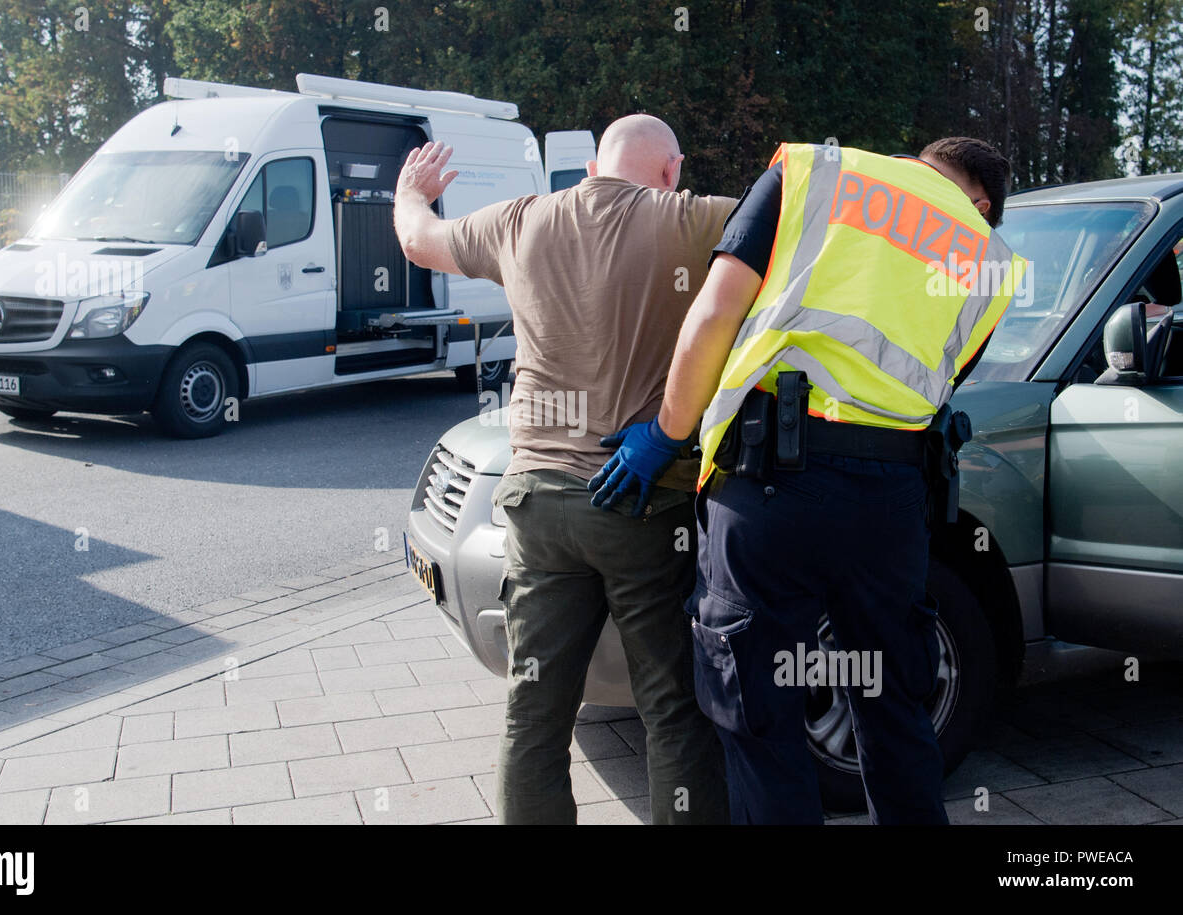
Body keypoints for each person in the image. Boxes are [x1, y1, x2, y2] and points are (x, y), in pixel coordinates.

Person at [590, 136, 1026, 824]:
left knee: (760, 717)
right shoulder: (990, 259)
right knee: (895, 711)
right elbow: (937, 387)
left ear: (922, 158)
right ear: (979, 200)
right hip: (890, 503)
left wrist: (666, 434)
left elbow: (713, 315)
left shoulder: (814, 172)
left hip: (768, 490)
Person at [393, 115, 734, 824]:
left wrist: (410, 191)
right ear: (669, 170)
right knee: (671, 706)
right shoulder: (690, 219)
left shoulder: (520, 222)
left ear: (589, 168)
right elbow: (795, 229)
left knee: (534, 707)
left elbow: (417, 240)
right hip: (642, 503)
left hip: (536, 503)